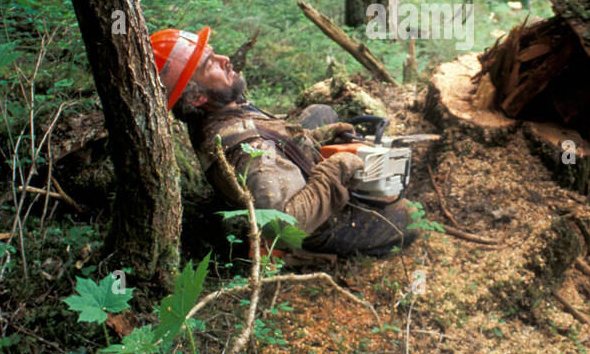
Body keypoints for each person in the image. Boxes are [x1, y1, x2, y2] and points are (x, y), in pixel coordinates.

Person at [151, 26, 417, 257]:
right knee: (410, 217)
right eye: (210, 63)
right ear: (197, 97)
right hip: (304, 225)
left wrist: (315, 137)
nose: (225, 59)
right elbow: (285, 223)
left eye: (213, 52)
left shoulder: (217, 112)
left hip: (275, 176)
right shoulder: (252, 153)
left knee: (320, 113)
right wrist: (336, 168)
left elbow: (269, 131)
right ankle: (297, 254)